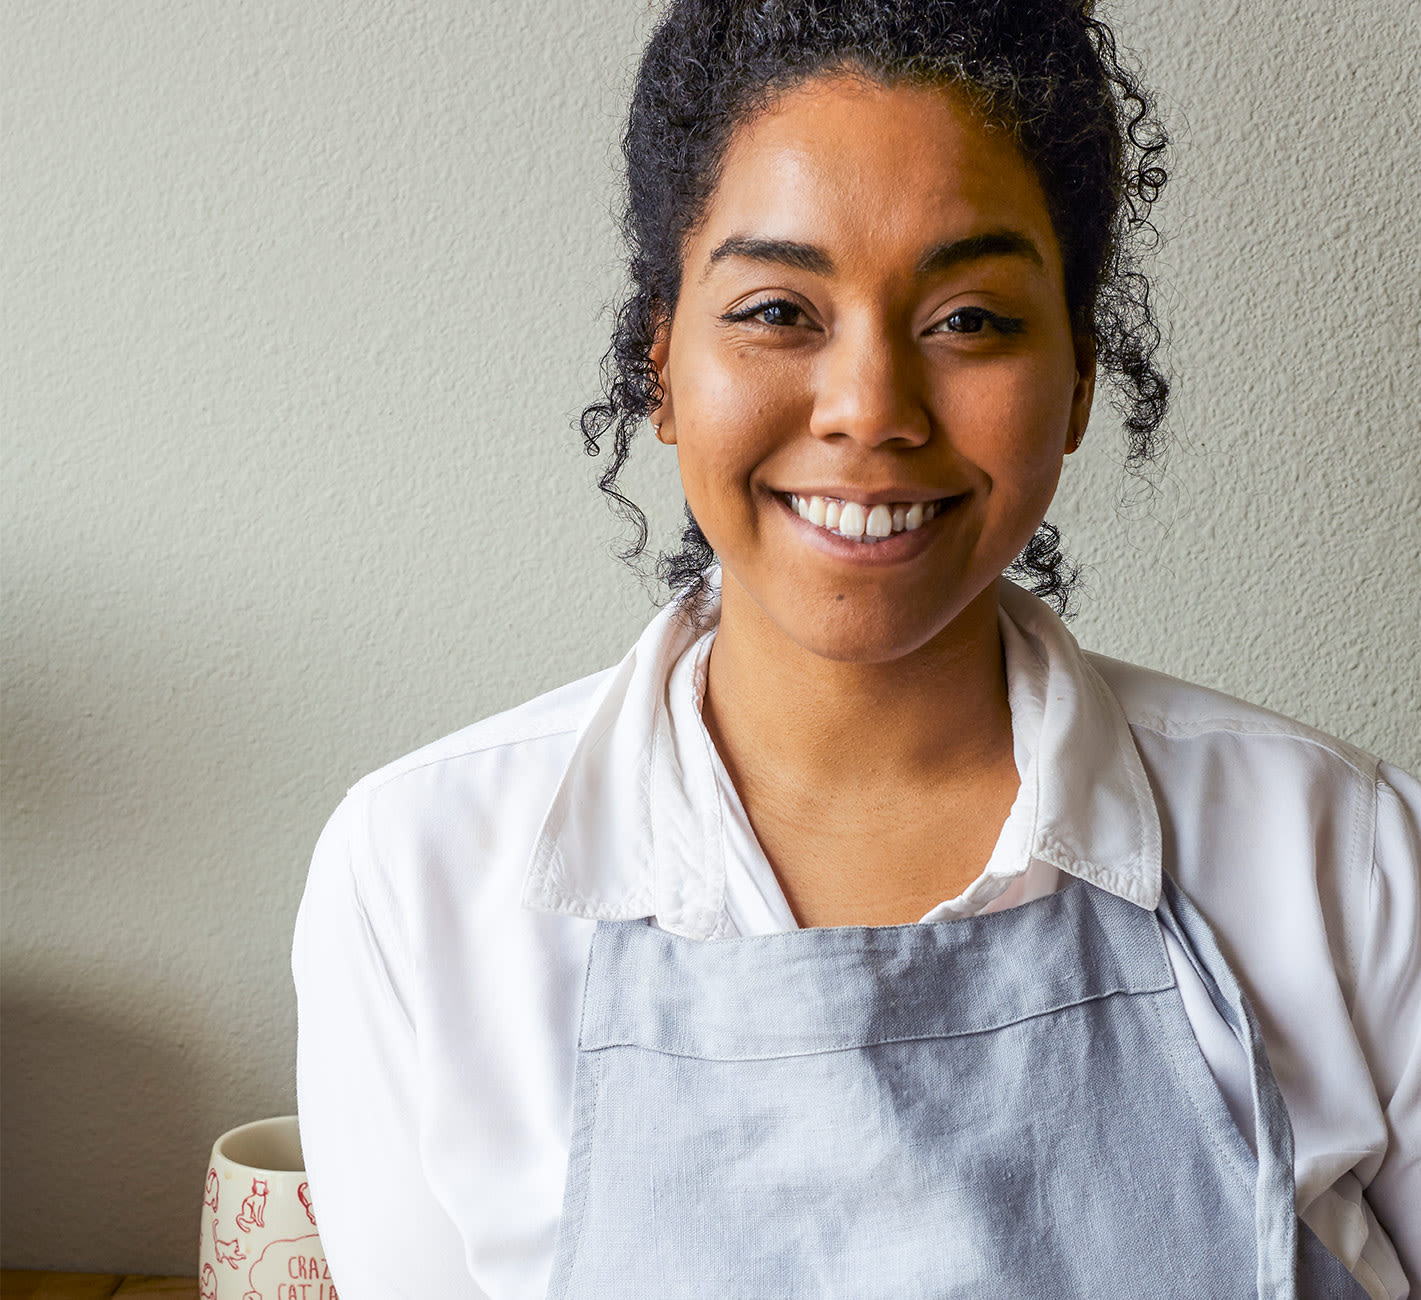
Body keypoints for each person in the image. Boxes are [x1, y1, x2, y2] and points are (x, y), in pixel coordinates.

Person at [292, 1, 1420, 1296]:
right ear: (659, 362)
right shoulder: (421, 877)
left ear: (1077, 386)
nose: (868, 410)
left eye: (969, 320)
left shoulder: (1351, 857)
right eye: (777, 309)